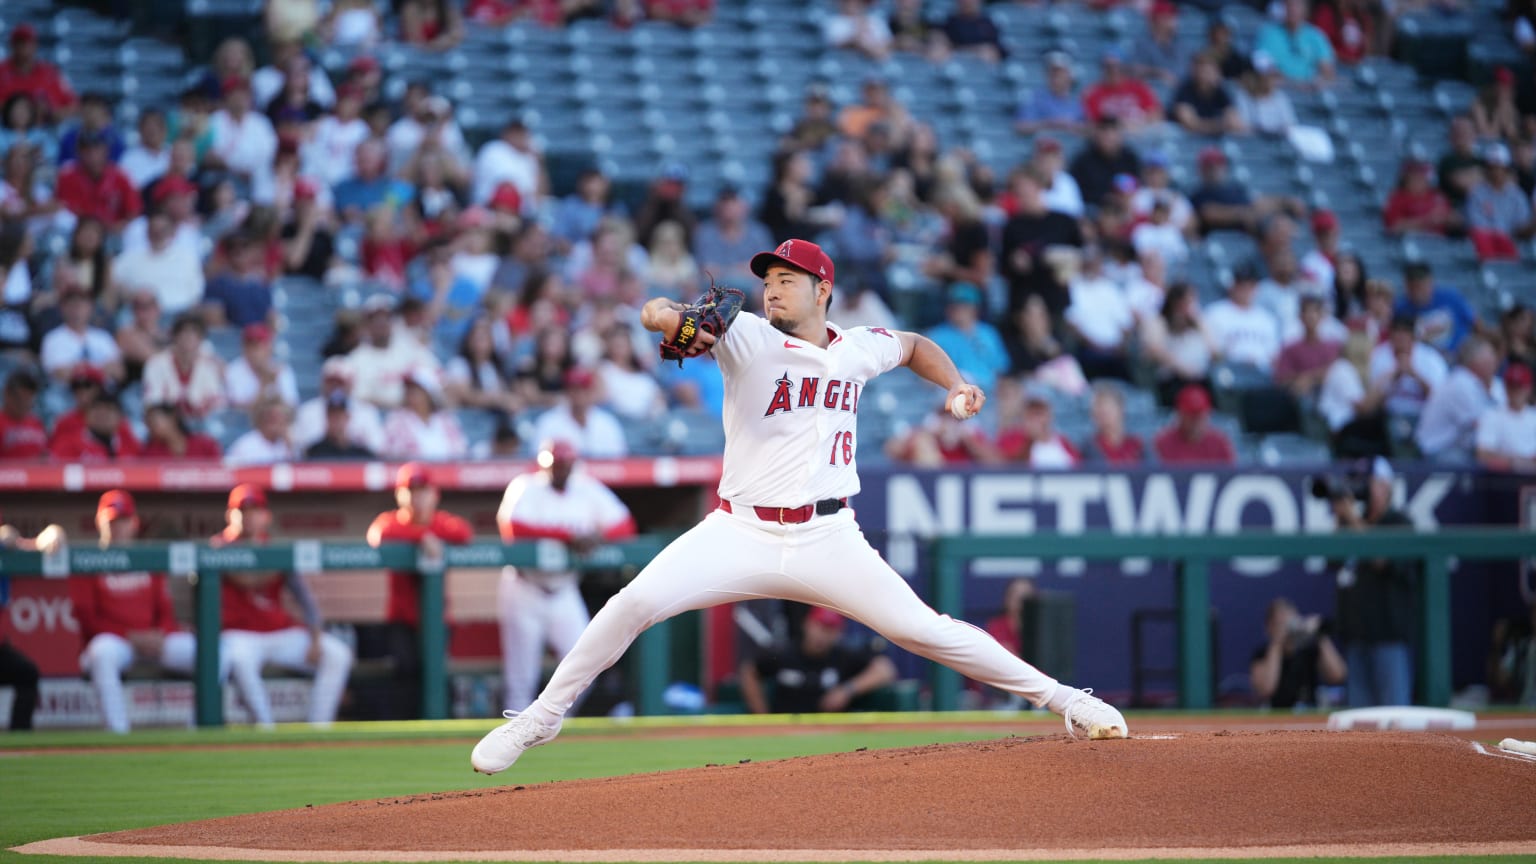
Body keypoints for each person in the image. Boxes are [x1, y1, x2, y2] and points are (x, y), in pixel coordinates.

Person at [470, 238, 1128, 774]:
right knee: (631, 604)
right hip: (738, 530)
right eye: (768, 279)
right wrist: (672, 317)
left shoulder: (858, 346)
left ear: (823, 291)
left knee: (924, 630)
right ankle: (540, 718)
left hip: (828, 535)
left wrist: (956, 386)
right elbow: (656, 314)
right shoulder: (747, 335)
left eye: (788, 278)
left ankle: (1066, 700)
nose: (772, 287)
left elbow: (915, 346)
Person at [495, 440, 636, 712]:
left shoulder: (587, 488)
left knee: (587, 667)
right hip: (525, 586)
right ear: (543, 465)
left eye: (564, 465)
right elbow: (514, 529)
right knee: (521, 680)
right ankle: (512, 742)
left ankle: (550, 727)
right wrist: (568, 537)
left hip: (564, 589)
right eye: (554, 465)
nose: (559, 470)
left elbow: (625, 525)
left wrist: (598, 535)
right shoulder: (526, 486)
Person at [211, 483, 353, 728]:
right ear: (230, 515)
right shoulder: (218, 546)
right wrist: (278, 563)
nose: (248, 517)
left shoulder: (275, 548)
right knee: (239, 661)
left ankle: (318, 729)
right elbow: (243, 579)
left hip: (278, 632)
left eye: (255, 510)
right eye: (242, 510)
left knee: (337, 654)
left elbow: (305, 599)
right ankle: (266, 730)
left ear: (266, 516)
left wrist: (316, 635)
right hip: (238, 635)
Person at [71, 491, 197, 733]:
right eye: (112, 521)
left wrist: (161, 633)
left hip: (152, 641)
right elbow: (88, 621)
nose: (118, 528)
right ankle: (118, 733)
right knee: (102, 652)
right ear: (100, 523)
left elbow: (164, 610)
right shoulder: (88, 561)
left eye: (124, 520)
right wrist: (129, 636)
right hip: (117, 644)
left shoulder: (147, 557)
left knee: (206, 653)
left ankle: (196, 731)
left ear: (134, 523)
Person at [365, 463, 473, 719]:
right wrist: (421, 536)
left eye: (423, 490)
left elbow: (464, 533)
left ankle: (442, 729)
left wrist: (428, 534)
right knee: (406, 671)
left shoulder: (442, 522)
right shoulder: (391, 522)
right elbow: (377, 534)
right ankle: (406, 733)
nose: (417, 497)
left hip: (436, 619)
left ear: (434, 494)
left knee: (436, 671)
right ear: (400, 496)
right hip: (402, 619)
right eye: (411, 491)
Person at [1324, 458, 1417, 707]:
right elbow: (1331, 560)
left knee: (1395, 717)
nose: (1363, 488)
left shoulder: (1399, 522)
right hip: (1356, 637)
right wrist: (1340, 518)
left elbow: (1382, 560)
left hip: (1388, 636)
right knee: (1360, 723)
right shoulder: (1354, 521)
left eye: (1370, 483)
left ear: (1386, 487)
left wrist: (1353, 520)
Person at [738, 606, 899, 714]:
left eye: (830, 629)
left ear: (839, 633)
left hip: (831, 729)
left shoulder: (844, 655)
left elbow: (885, 669)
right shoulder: (784, 653)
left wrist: (847, 690)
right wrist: (763, 716)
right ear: (807, 624)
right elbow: (749, 670)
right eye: (820, 626)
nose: (823, 634)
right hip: (786, 728)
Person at [0, 512, 65, 731]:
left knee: (26, 673)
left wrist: (52, 534)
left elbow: (41, 541)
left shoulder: (4, 547)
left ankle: (20, 741)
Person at [1414, 336, 1503, 461]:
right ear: (1475, 361)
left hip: (1452, 448)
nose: (1494, 361)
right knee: (1485, 461)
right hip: (1436, 451)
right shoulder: (1461, 383)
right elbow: (1482, 426)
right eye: (1490, 356)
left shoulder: (1473, 382)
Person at [1250, 597, 1348, 709]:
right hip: (1277, 714)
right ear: (1270, 627)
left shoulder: (1309, 649)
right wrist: (1276, 645)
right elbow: (1266, 689)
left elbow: (1338, 676)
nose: (1287, 628)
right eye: (1280, 623)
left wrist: (1319, 636)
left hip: (1310, 713)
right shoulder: (1262, 653)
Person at [531, 367, 628, 459]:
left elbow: (620, 460)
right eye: (574, 389)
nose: (579, 394)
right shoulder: (548, 422)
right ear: (566, 392)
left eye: (584, 389)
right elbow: (538, 460)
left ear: (591, 391)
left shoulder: (607, 422)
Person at [1255, 0, 1336, 86]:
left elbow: (1327, 69)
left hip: (1311, 91)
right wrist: (1292, 84)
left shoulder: (1316, 35)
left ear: (1305, 9)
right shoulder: (1268, 33)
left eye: (1297, 5)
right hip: (1280, 89)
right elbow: (1264, 67)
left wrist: (1318, 82)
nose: (1292, 9)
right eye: (1288, 5)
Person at [1474, 362, 1536, 472]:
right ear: (1506, 387)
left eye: (1520, 386)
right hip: (1504, 478)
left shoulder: (1533, 416)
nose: (1515, 391)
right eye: (1512, 386)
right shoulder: (1492, 415)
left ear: (1528, 389)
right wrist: (1515, 462)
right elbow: (1483, 454)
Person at [1153, 384, 1236, 465]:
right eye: (1191, 415)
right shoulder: (1164, 442)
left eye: (1199, 415)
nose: (1195, 420)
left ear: (1207, 414)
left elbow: (1231, 471)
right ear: (1180, 414)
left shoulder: (1219, 442)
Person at [0, 368, 46, 460]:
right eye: (20, 398)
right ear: (7, 394)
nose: (24, 404)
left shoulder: (36, 423)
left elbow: (45, 455)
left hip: (36, 473)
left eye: (28, 399)